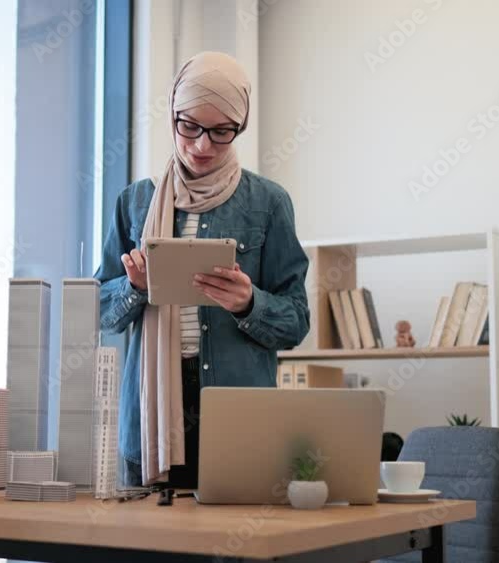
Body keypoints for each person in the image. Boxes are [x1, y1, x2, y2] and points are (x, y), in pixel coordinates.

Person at [95, 51, 310, 489]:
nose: (201, 146)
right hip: (152, 414)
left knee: (234, 532)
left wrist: (249, 303)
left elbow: (297, 321)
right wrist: (136, 287)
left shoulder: (268, 203)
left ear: (240, 127)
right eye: (189, 126)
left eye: (220, 132)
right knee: (152, 531)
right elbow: (99, 310)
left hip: (238, 414)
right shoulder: (135, 201)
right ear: (172, 115)